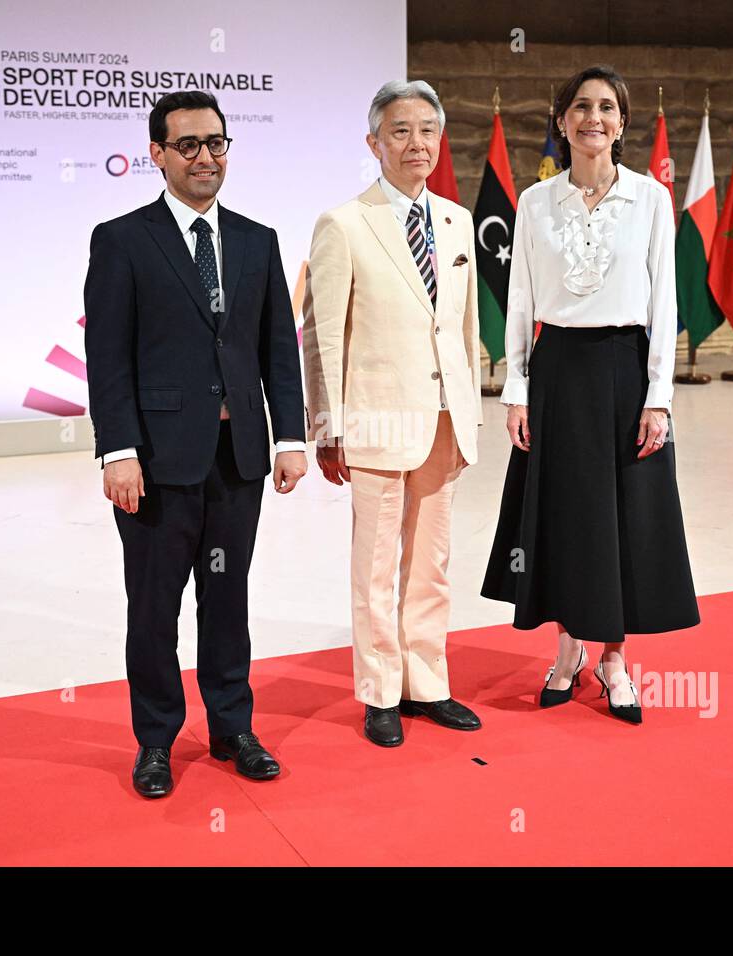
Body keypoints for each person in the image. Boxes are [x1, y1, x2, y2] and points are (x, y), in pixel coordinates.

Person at [84, 90, 308, 797]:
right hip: (155, 461)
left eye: (216, 143)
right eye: (189, 145)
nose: (205, 157)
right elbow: (109, 358)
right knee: (153, 607)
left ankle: (232, 727)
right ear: (157, 153)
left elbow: (278, 348)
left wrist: (291, 435)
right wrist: (117, 450)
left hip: (238, 457)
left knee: (227, 597)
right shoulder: (120, 240)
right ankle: (155, 741)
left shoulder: (256, 239)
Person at [480, 66, 700, 724]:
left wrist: (658, 396)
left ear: (623, 123)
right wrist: (515, 388)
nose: (592, 117)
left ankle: (613, 659)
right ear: (561, 120)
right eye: (580, 106)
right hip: (556, 370)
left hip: (623, 366)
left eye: (606, 107)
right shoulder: (534, 202)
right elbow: (519, 300)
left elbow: (665, 302)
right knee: (562, 513)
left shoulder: (651, 199)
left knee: (621, 516)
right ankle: (568, 647)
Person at [302, 80, 484, 747]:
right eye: (401, 131)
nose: (416, 144)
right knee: (375, 563)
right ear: (374, 142)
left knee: (431, 562)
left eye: (428, 130)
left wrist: (471, 410)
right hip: (375, 421)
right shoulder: (344, 224)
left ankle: (428, 682)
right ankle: (380, 691)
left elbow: (464, 330)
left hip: (445, 419)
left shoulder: (457, 222)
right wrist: (327, 426)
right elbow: (321, 336)